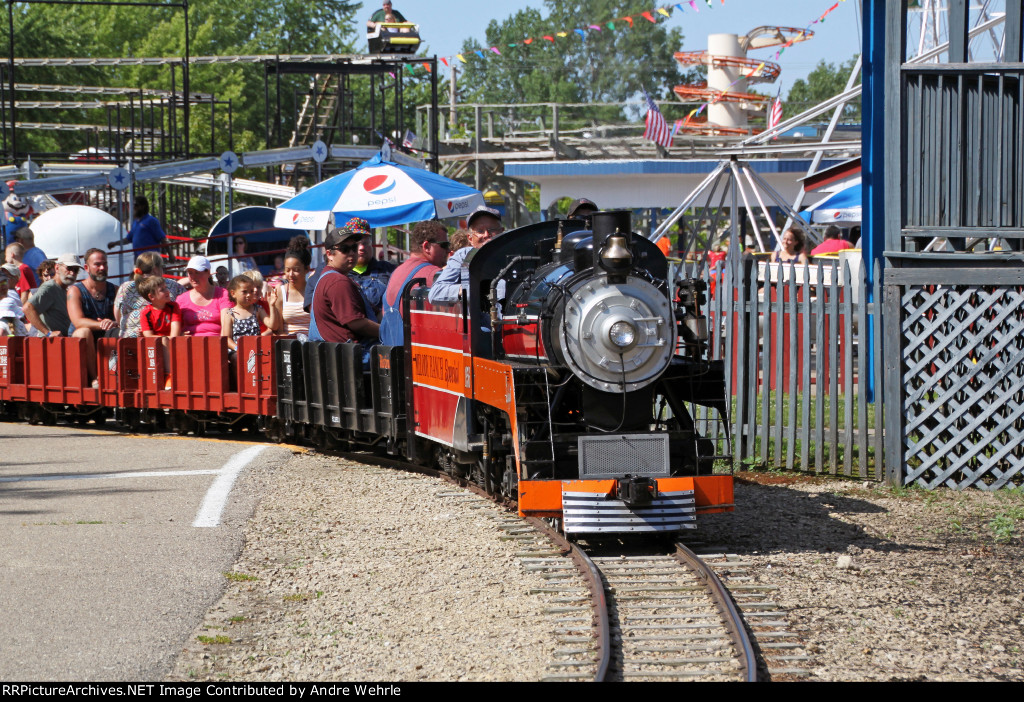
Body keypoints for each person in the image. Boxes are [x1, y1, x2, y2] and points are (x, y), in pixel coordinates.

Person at [308, 217, 380, 354]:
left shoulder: (333, 277)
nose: (352, 253)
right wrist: (388, 331)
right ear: (329, 254)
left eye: (354, 247)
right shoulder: (337, 282)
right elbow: (357, 323)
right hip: (349, 360)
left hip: (340, 357)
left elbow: (375, 312)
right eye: (344, 249)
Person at [380, 220, 449, 346]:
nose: (448, 251)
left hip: (394, 353)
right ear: (427, 247)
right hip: (421, 355)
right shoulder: (434, 274)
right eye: (444, 245)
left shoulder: (397, 272)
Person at [429, 206, 503, 304]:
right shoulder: (463, 256)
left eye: (492, 229)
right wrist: (470, 290)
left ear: (502, 232)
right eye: (480, 231)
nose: (486, 235)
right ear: (470, 238)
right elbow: (435, 293)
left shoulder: (515, 254)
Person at [67, 249, 118, 384]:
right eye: (97, 264)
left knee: (119, 331)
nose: (102, 268)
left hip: (108, 338)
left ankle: (114, 375)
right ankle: (95, 379)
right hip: (82, 341)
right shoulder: (75, 290)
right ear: (86, 268)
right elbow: (78, 321)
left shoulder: (115, 290)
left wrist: (113, 323)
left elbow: (124, 318)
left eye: (105, 264)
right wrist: (101, 324)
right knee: (83, 332)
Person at [114, 251, 187, 338]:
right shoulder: (171, 285)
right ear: (155, 269)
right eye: (162, 267)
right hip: (167, 337)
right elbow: (185, 304)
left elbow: (117, 315)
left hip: (130, 339)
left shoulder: (125, 287)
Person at [138, 275, 182, 389]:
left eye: (166, 288)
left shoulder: (173, 306)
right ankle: (169, 375)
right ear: (151, 296)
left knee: (167, 340)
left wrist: (167, 338)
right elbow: (148, 336)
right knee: (162, 339)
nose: (167, 291)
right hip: (154, 345)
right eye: (162, 290)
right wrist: (165, 338)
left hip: (173, 343)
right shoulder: (145, 313)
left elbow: (175, 334)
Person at [23, 253, 80, 338]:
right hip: (51, 345)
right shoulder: (50, 287)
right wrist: (48, 333)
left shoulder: (65, 290)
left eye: (76, 270)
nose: (72, 273)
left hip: (64, 342)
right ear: (57, 268)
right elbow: (27, 308)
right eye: (69, 268)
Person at [177, 255, 232, 337]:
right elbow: (175, 331)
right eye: (190, 273)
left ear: (208, 272)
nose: (193, 277)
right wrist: (180, 336)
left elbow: (226, 327)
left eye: (197, 272)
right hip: (189, 345)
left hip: (217, 344)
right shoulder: (181, 299)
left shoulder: (223, 294)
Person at [221, 275, 279, 351]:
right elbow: (227, 338)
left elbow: (273, 326)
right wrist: (237, 348)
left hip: (255, 349)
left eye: (251, 291)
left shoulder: (258, 310)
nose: (248, 295)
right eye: (244, 292)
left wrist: (272, 305)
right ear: (233, 293)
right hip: (237, 351)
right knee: (237, 359)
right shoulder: (230, 314)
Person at [349, 232, 396, 318]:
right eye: (356, 244)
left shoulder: (388, 270)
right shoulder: (337, 273)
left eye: (365, 243)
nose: (362, 247)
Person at [273, 236, 313, 336]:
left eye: (296, 270)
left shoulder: (314, 290)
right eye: (287, 270)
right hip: (289, 346)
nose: (290, 274)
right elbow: (279, 331)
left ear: (307, 269)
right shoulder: (281, 291)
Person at [0, 263, 27, 336]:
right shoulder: (8, 298)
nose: (3, 286)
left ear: (16, 279)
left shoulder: (10, 295)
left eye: (5, 280)